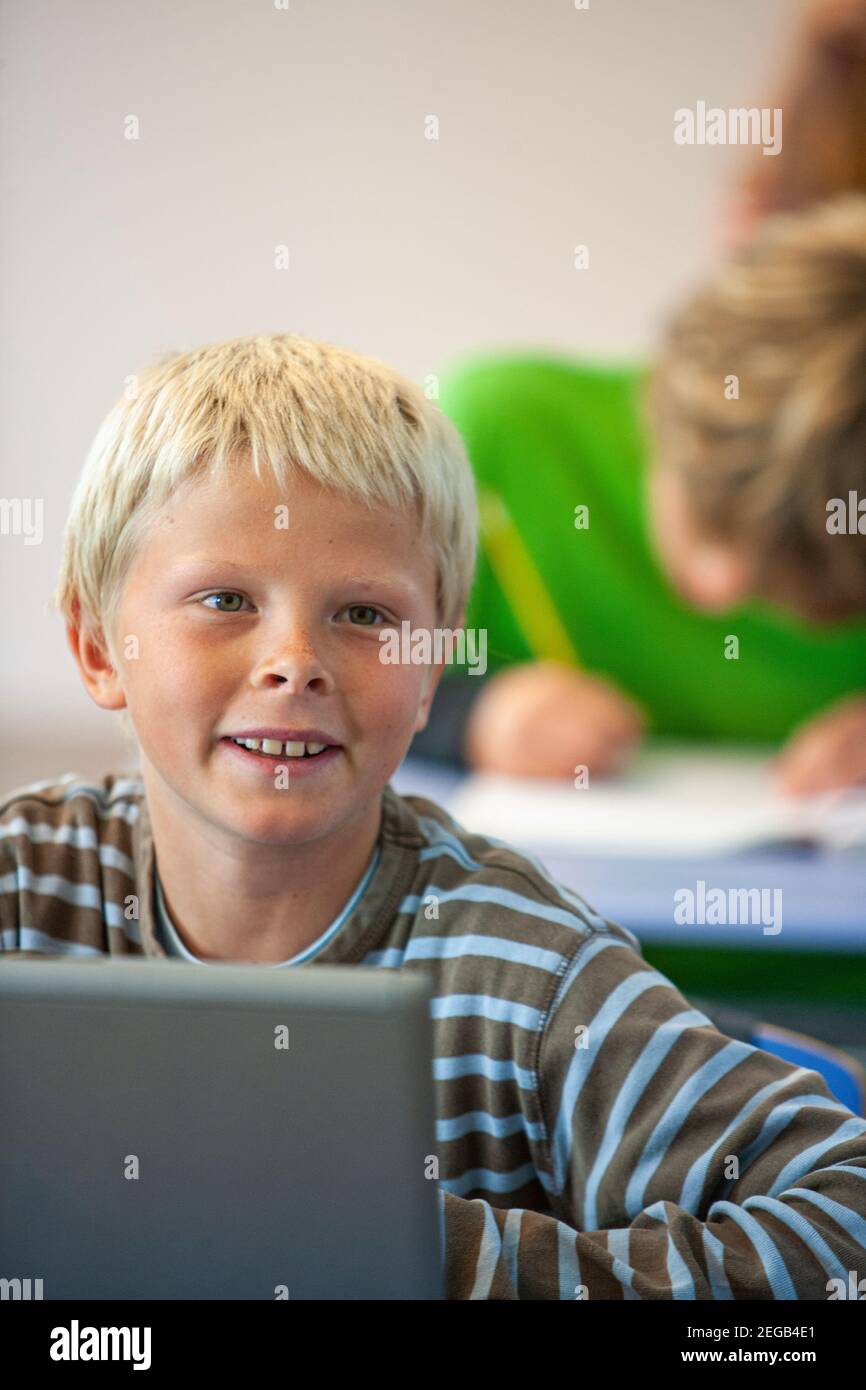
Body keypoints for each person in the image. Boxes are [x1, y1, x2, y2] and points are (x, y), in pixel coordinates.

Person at [1, 332, 864, 1298]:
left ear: (432, 670)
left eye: (364, 614)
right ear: (96, 646)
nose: (295, 660)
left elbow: (846, 1223)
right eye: (225, 599)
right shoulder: (23, 889)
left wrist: (420, 1260)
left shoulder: (529, 974)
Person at [412, 196, 866, 791]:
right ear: (664, 398)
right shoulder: (493, 437)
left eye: (803, 576)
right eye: (709, 517)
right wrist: (470, 718)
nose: (718, 588)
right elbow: (334, 666)